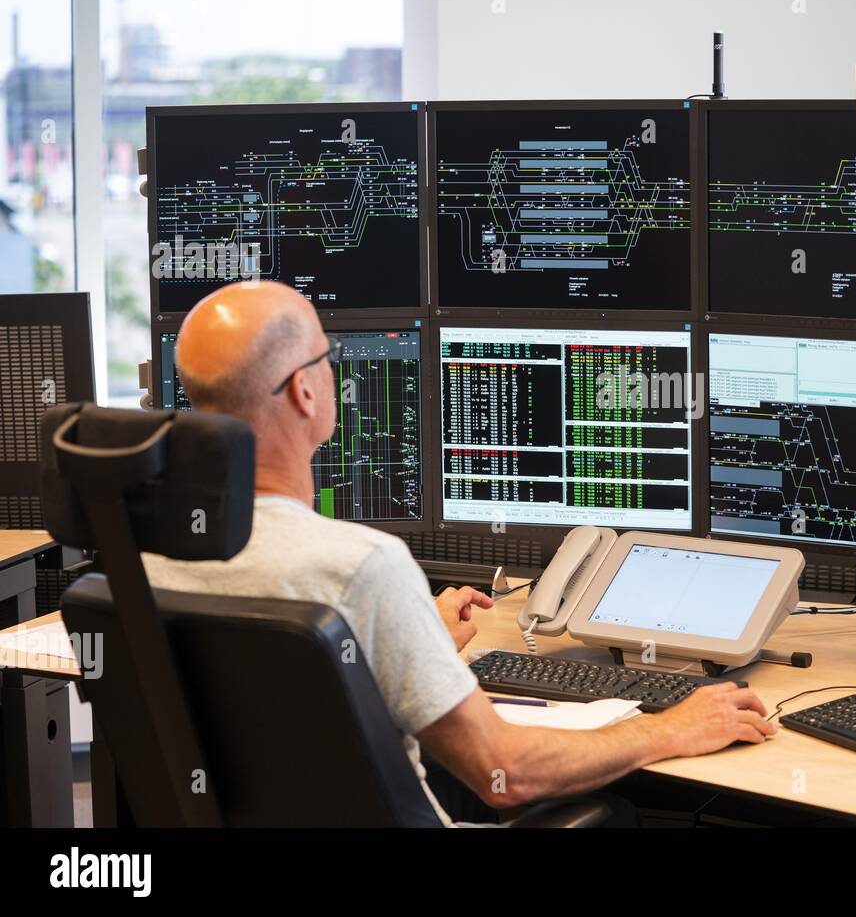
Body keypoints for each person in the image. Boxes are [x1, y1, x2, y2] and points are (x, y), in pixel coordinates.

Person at [142, 281, 775, 825]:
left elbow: (277, 711)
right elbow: (507, 771)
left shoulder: (149, 559)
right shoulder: (362, 565)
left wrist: (407, 645)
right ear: (306, 392)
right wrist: (670, 728)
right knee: (617, 814)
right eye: (326, 358)